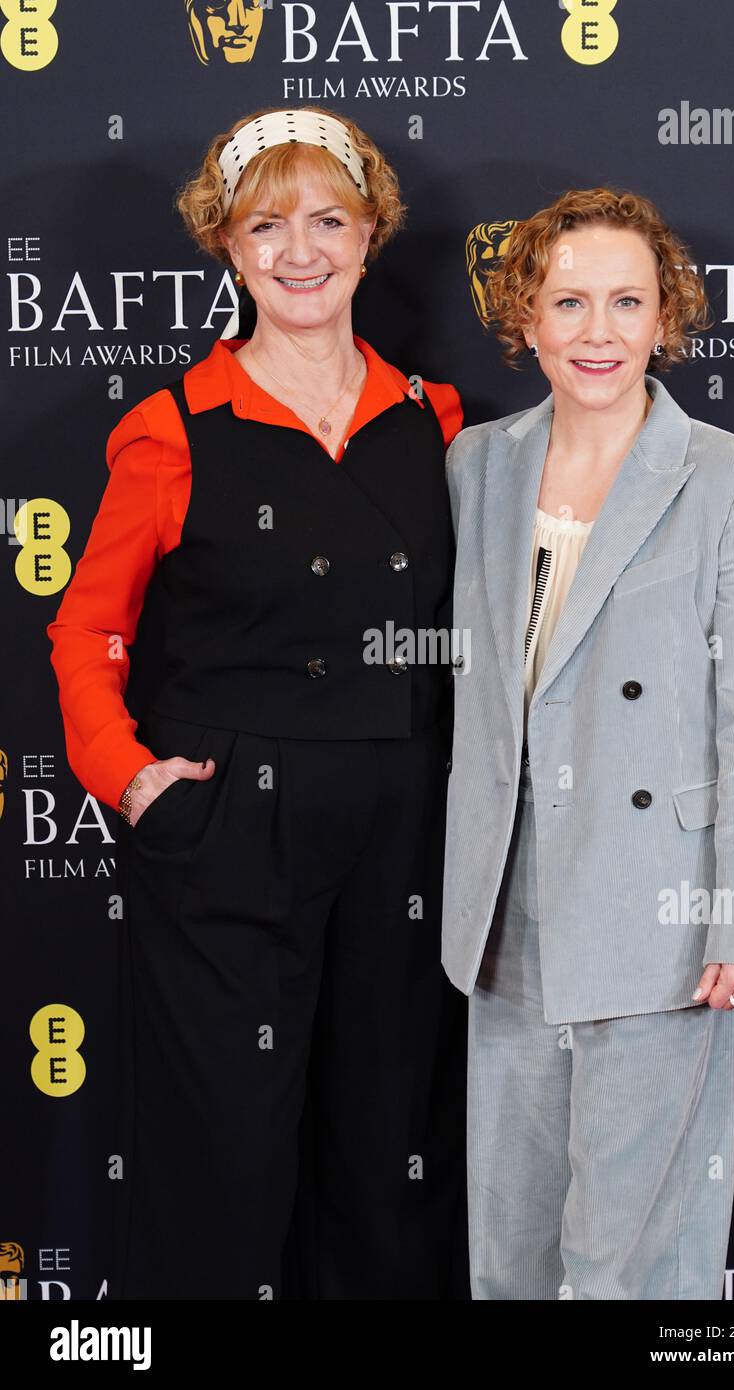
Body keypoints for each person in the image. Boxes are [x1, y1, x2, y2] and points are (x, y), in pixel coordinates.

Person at [46, 104, 469, 1300]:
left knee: (389, 1156)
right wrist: (128, 778)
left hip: (405, 830)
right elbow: (87, 627)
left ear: (372, 234)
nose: (299, 250)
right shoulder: (172, 429)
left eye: (327, 220)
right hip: (229, 828)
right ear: (225, 246)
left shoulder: (435, 421)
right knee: (218, 1160)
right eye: (265, 224)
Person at [441, 186, 734, 1300]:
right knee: (509, 1244)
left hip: (661, 910)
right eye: (567, 302)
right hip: (505, 912)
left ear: (666, 318)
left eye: (624, 302)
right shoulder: (477, 466)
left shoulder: (732, 478)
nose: (596, 332)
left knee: (635, 1256)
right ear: (526, 319)